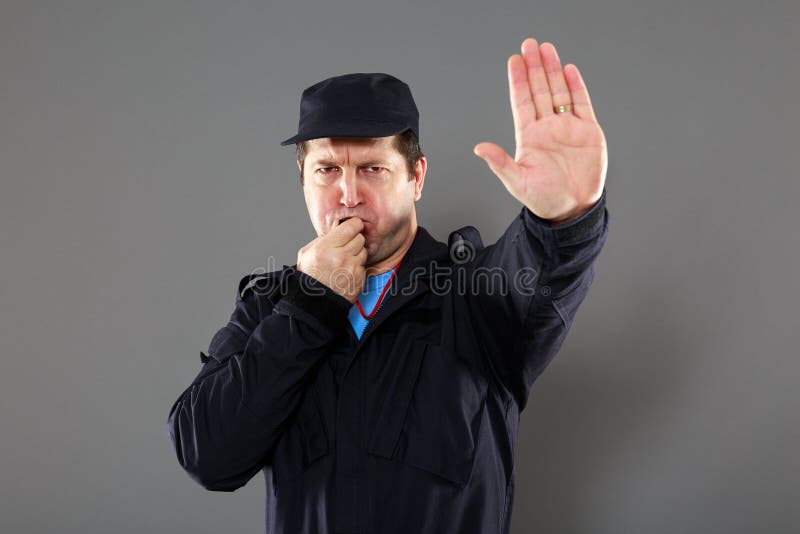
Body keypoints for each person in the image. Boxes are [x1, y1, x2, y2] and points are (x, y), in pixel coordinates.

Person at [166, 37, 609, 534]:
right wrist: (308, 305)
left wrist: (564, 219)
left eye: (372, 169)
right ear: (302, 179)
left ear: (416, 177)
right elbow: (207, 454)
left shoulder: (476, 294)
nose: (348, 194)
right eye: (327, 170)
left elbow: (544, 268)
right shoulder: (269, 306)